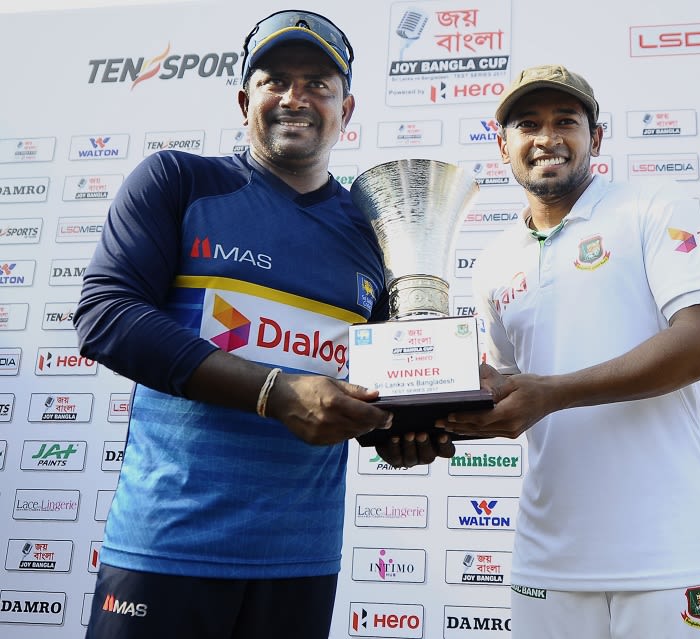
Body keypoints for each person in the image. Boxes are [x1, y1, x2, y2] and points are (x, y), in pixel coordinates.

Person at [75, 10, 451, 638]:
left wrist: (405, 429)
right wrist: (274, 392)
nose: (295, 99)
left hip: (300, 560)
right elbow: (106, 314)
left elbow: (376, 382)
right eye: (276, 80)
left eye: (318, 85)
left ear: (346, 109)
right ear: (244, 97)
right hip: (167, 545)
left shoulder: (374, 233)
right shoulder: (179, 181)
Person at [437, 64, 700, 638]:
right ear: (503, 146)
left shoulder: (653, 204)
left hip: (667, 551)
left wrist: (552, 393)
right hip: (547, 557)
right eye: (527, 124)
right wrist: (420, 409)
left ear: (595, 138)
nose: (546, 137)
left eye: (565, 121)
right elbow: (503, 385)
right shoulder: (495, 259)